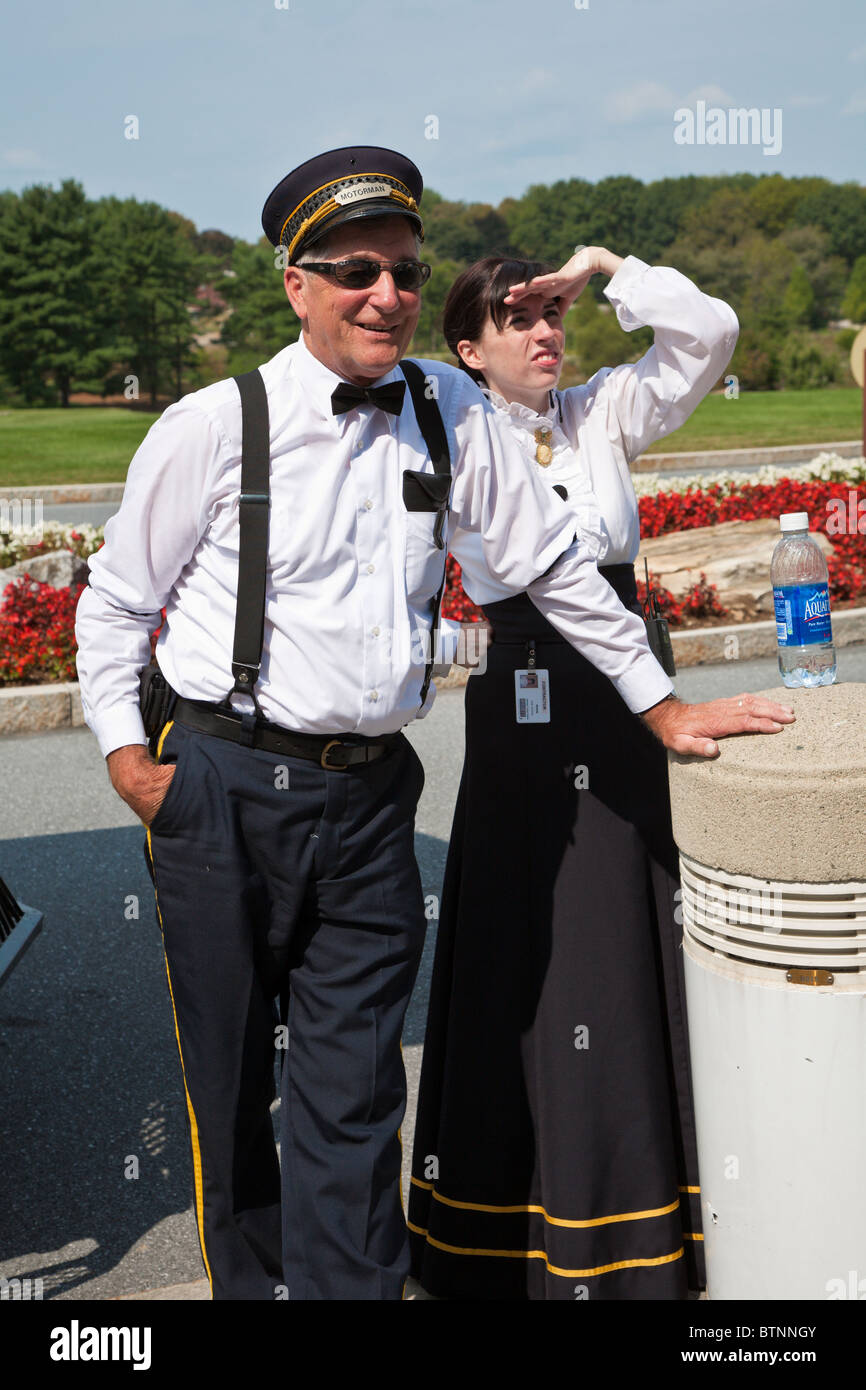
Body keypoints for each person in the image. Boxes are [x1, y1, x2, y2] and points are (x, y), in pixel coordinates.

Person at [74, 148, 794, 1302]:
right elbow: (113, 602)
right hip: (218, 782)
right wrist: (128, 762)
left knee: (354, 1088)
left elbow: (552, 566)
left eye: (403, 272)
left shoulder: (448, 406)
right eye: (354, 270)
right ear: (294, 283)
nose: (385, 296)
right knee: (225, 1086)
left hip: (368, 799)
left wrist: (662, 710)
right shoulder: (214, 424)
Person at [408, 246, 749, 1300]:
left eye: (551, 313)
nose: (544, 331)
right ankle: (513, 1232)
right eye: (516, 318)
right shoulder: (457, 428)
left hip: (628, 683)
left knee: (630, 929)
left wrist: (608, 266)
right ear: (470, 349)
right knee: (544, 941)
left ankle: (658, 1219)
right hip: (527, 698)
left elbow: (712, 334)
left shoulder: (604, 409)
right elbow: (532, 574)